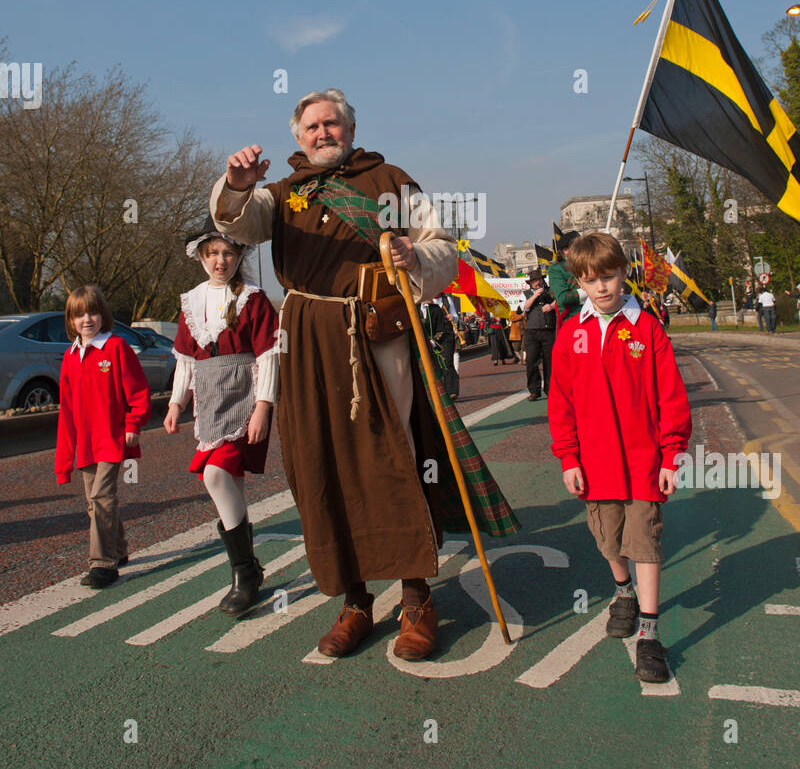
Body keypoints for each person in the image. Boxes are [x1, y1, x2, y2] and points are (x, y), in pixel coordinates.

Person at [209, 88, 518, 662]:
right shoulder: (281, 193)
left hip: (378, 335)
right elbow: (240, 224)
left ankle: (417, 599)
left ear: (351, 129)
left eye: (333, 124)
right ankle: (354, 601)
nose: (323, 133)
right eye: (312, 127)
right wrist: (238, 182)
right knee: (321, 463)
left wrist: (415, 257)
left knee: (392, 460)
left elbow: (443, 249)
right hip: (306, 339)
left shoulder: (389, 182)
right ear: (298, 137)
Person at [548, 232, 692, 683]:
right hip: (594, 465)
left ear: (623, 273)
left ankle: (650, 633)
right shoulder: (571, 333)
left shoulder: (647, 328)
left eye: (609, 276)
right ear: (579, 284)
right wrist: (569, 458)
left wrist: (671, 456)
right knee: (609, 541)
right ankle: (623, 593)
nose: (602, 287)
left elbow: (671, 396)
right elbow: (561, 401)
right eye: (591, 280)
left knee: (644, 542)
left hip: (644, 463)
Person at [163, 222, 280, 615]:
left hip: (244, 392)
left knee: (216, 474)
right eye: (212, 253)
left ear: (239, 257)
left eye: (227, 253)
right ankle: (249, 569)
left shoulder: (253, 298)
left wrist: (264, 404)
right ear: (201, 256)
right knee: (229, 482)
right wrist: (176, 403)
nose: (220, 261)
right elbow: (185, 360)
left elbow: (268, 355)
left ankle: (244, 572)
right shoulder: (190, 301)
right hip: (210, 396)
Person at [55, 285, 151, 589]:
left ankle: (103, 564)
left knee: (102, 497)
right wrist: (65, 457)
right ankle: (119, 550)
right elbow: (67, 410)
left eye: (93, 312)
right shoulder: (70, 357)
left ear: (103, 315)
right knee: (95, 503)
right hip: (85, 444)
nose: (87, 319)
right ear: (71, 320)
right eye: (79, 314)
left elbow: (137, 391)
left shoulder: (116, 347)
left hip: (112, 439)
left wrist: (133, 424)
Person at [523, 267, 557, 400]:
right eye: (534, 281)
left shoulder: (550, 291)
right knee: (531, 361)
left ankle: (550, 388)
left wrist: (551, 306)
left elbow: (559, 300)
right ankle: (534, 390)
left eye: (538, 280)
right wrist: (536, 295)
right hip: (532, 332)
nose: (536, 283)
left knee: (550, 362)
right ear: (530, 283)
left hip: (549, 330)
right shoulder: (526, 293)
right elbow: (525, 307)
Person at [420, 298, 459, 399]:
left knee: (446, 363)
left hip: (445, 337)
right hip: (430, 341)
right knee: (435, 367)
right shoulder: (416, 311)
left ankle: (451, 392)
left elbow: (445, 325)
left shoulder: (441, 303)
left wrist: (453, 318)